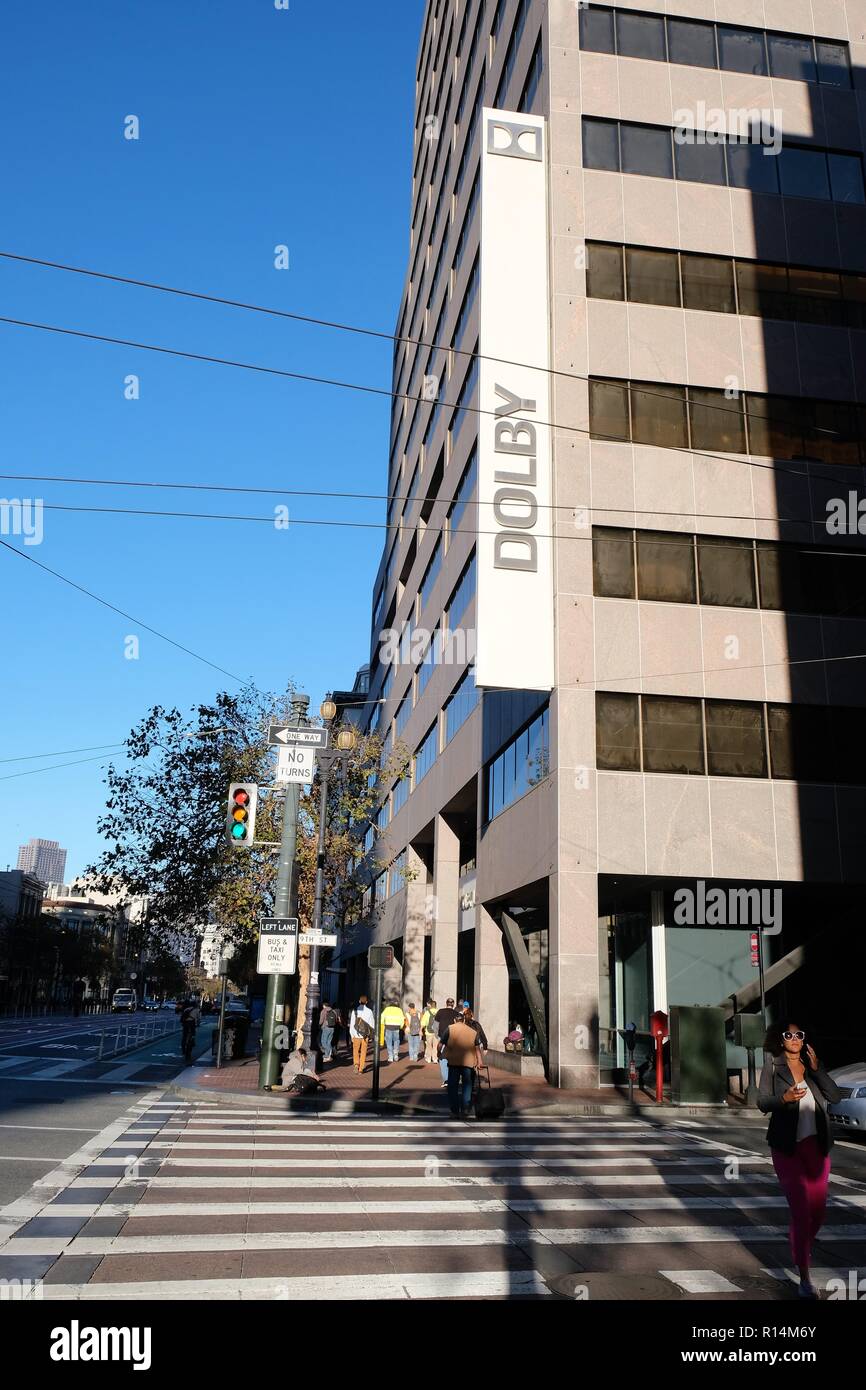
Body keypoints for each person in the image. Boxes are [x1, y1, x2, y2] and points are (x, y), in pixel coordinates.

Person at [758, 1022, 843, 1300]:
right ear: (780, 1040)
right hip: (786, 1148)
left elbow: (835, 1096)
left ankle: (800, 1240)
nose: (794, 1039)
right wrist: (783, 1098)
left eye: (799, 1035)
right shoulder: (773, 1066)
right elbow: (762, 1102)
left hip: (816, 1147)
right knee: (801, 1212)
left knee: (818, 1213)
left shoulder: (811, 1065)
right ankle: (804, 1277)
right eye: (788, 1035)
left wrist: (817, 1069)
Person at [439, 1009, 482, 1118]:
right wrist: (480, 1061)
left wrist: (438, 1053)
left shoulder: (450, 1029)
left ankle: (455, 1111)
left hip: (453, 1062)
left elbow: (440, 1044)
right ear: (463, 1021)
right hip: (468, 1062)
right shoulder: (472, 1031)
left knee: (452, 1086)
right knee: (467, 1086)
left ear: (454, 1020)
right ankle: (465, 1110)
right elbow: (477, 1048)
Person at [434, 998, 458, 1087]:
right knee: (453, 1060)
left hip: (442, 1038)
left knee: (443, 1059)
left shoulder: (440, 1012)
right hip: (454, 1039)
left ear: (446, 1003)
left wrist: (437, 1036)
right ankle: (452, 1079)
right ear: (453, 1004)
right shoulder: (456, 1014)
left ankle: (446, 1080)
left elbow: (435, 1026)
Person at [349, 996, 375, 1073]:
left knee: (355, 1051)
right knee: (363, 1052)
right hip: (365, 1035)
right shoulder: (369, 1011)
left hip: (356, 1035)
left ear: (359, 1001)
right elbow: (372, 1025)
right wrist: (370, 1035)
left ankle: (356, 1064)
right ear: (366, 1002)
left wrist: (352, 1035)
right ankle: (361, 1069)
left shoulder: (355, 1011)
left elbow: (352, 1024)